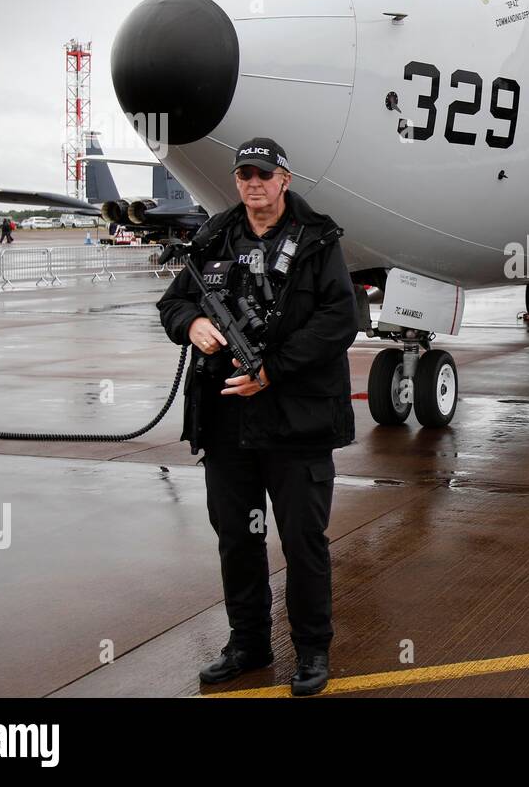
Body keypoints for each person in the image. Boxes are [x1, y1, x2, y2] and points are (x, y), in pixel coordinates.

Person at [157, 137, 359, 697]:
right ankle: (247, 645)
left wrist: (274, 369)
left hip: (296, 424)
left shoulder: (318, 239)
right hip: (227, 426)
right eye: (245, 175)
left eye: (264, 175)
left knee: (303, 542)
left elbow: (340, 319)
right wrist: (191, 325)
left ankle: (313, 650)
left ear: (284, 180)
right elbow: (174, 301)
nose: (254, 184)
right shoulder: (215, 235)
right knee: (237, 540)